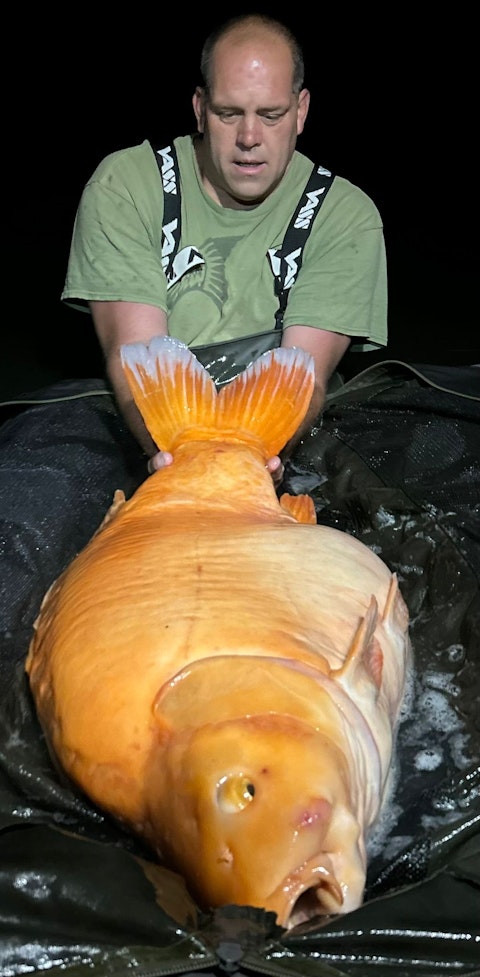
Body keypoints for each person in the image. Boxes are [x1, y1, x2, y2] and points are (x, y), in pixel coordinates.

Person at [61, 11, 387, 482]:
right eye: (228, 113)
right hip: (151, 427)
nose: (249, 138)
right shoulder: (126, 185)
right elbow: (136, 358)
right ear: (199, 108)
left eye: (271, 115)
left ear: (301, 111)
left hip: (275, 443)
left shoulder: (346, 215)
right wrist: (180, 461)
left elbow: (304, 380)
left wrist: (250, 463)